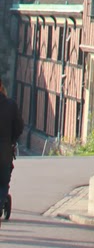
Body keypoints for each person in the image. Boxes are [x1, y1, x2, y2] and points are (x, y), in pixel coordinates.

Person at [0, 78, 23, 225]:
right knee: (3, 180)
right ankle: (1, 199)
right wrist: (12, 140)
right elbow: (19, 126)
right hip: (4, 149)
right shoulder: (11, 105)